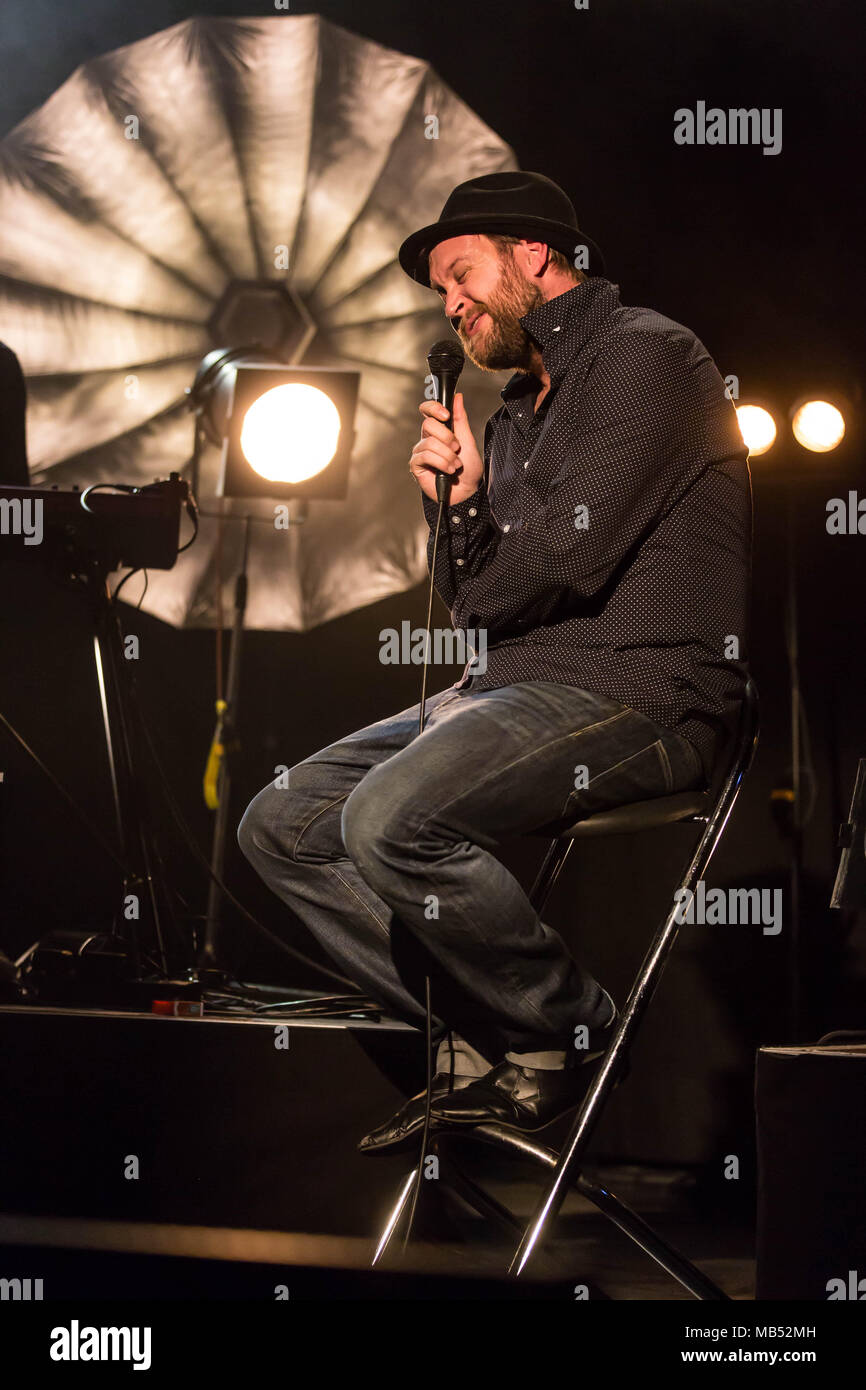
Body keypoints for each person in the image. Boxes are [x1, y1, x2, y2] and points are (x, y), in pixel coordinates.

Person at [238, 171, 752, 1153]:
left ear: (532, 254)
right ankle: (488, 1032)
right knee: (285, 823)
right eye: (439, 292)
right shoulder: (515, 409)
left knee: (390, 816)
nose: (451, 303)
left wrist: (479, 559)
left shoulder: (645, 356)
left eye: (460, 273)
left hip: (646, 691)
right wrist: (457, 499)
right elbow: (484, 594)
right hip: (519, 685)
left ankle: (570, 1028)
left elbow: (560, 561)